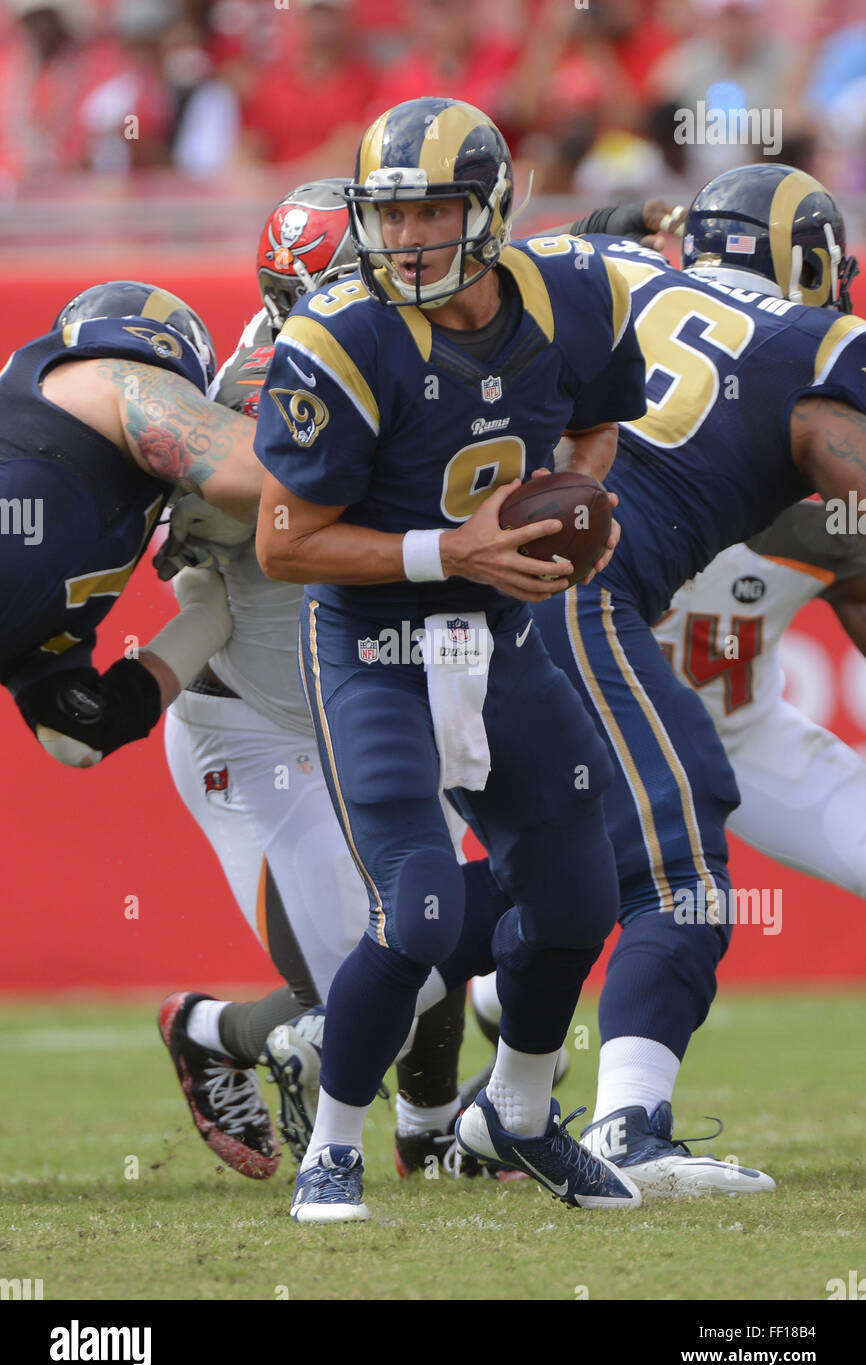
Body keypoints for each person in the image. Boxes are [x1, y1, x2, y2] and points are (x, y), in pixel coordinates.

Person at [254, 96, 649, 1222]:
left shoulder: (571, 293)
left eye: (432, 210)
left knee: (580, 893)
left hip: (495, 632)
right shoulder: (342, 334)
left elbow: (592, 426)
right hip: (370, 643)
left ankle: (517, 1116)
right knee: (419, 912)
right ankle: (332, 1144)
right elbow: (284, 542)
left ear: (489, 209)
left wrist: (577, 508)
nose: (408, 237)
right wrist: (449, 545)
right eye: (390, 214)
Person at [526, 161, 863, 1198]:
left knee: (549, 882)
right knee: (627, 878)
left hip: (719, 714)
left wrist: (609, 221)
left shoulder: (612, 278)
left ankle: (476, 1096)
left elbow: (544, 266)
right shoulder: (814, 369)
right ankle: (605, 1121)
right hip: (597, 651)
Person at [0, 279, 262, 772]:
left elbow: (79, 729)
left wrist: (206, 614)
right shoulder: (115, 375)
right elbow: (255, 473)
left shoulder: (113, 499)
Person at [653, 499, 866, 899]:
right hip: (594, 741)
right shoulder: (602, 491)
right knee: (550, 897)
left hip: (741, 740)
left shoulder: (812, 531)